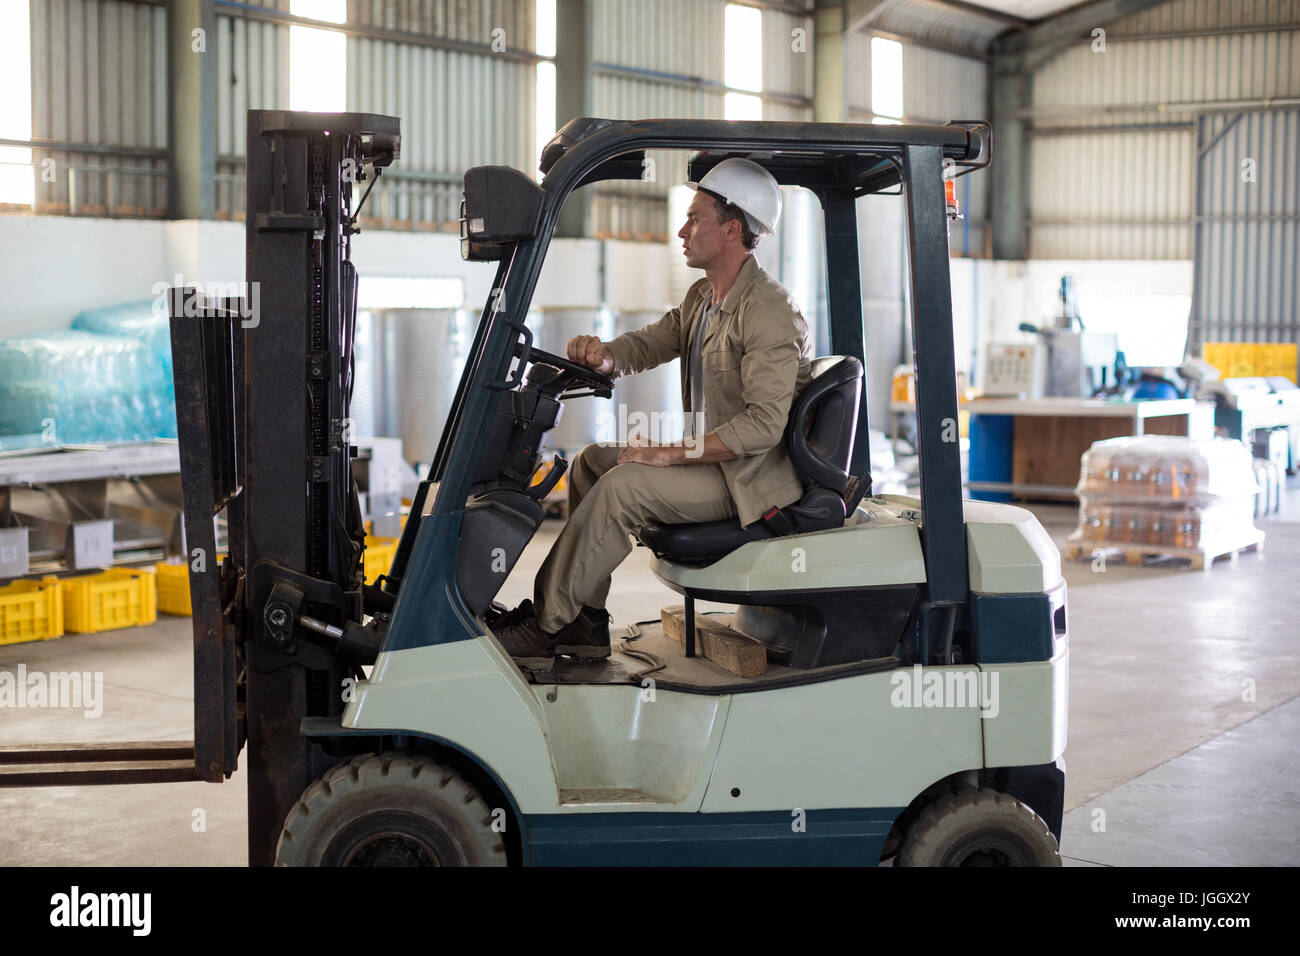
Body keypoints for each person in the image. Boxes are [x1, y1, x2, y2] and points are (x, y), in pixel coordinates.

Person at [494, 158, 813, 658]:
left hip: (747, 481)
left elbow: (763, 427)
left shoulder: (768, 310)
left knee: (625, 486)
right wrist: (607, 356)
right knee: (595, 461)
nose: (682, 231)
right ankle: (584, 617)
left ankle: (549, 620)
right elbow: (652, 342)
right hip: (720, 466)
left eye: (695, 219)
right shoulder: (704, 297)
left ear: (731, 229)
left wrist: (668, 453)